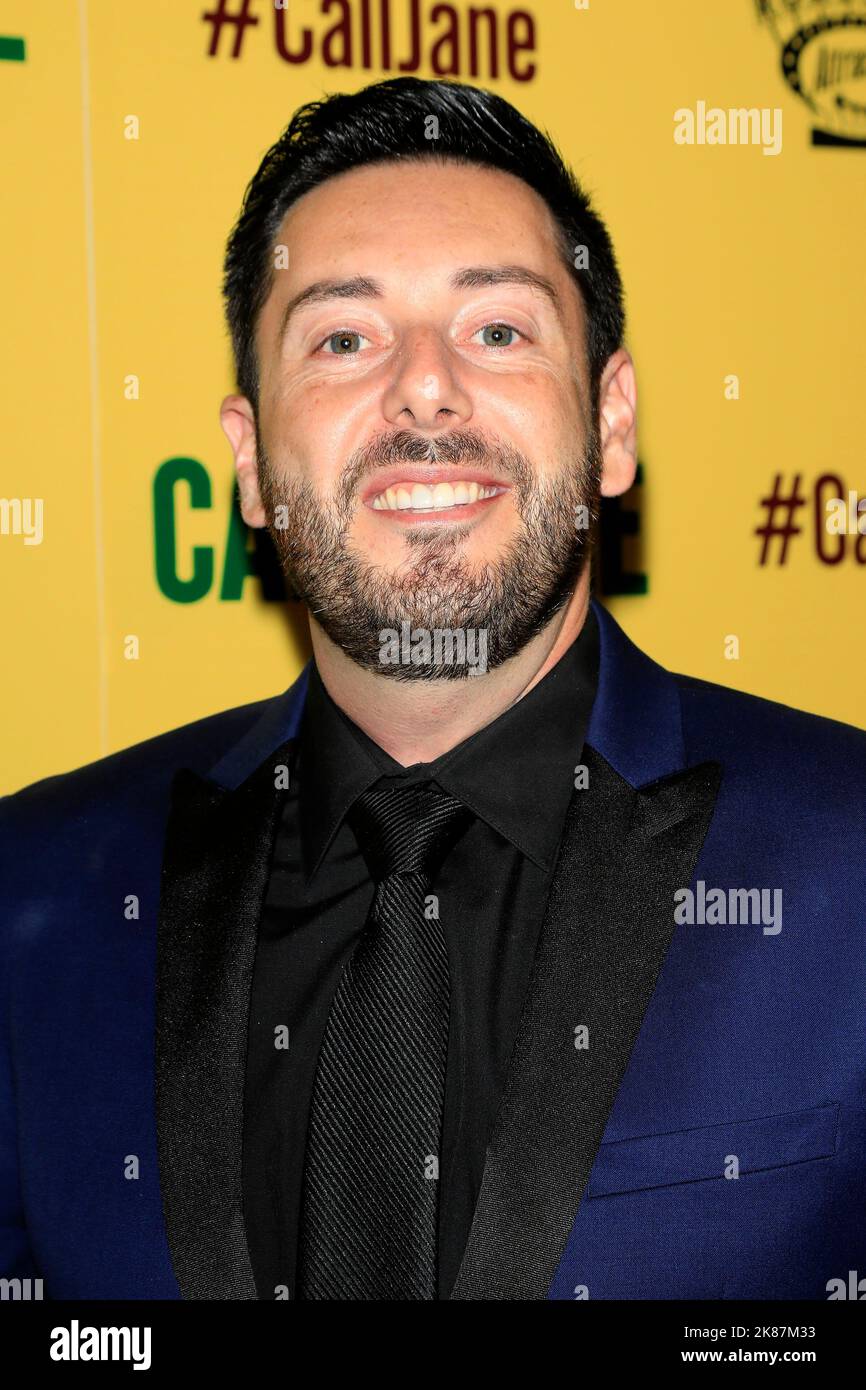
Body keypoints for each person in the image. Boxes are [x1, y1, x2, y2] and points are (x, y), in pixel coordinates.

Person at [2, 77, 864, 1302]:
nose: (423, 388)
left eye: (497, 330)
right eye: (342, 339)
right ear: (250, 462)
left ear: (611, 423)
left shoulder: (845, 856)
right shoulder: (36, 892)